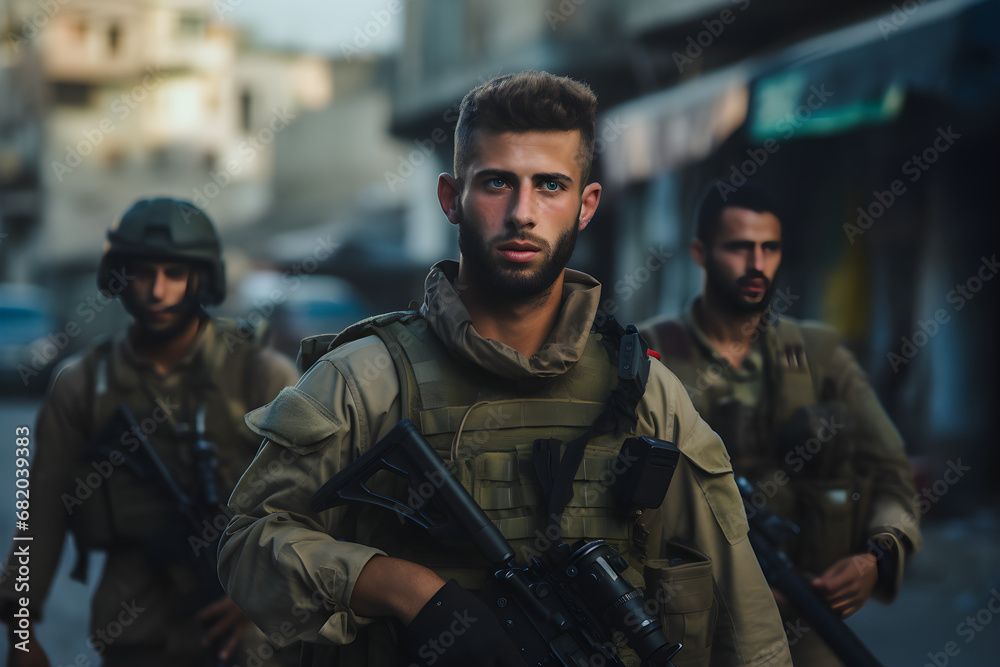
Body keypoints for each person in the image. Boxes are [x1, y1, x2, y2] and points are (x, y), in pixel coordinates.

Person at [217, 71, 792, 667]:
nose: (522, 213)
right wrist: (405, 589)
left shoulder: (644, 391)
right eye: (497, 183)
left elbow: (745, 618)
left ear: (586, 205)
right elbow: (248, 543)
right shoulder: (366, 380)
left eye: (550, 185)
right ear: (450, 197)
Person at [0, 198, 300, 667]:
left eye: (174, 274)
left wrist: (262, 595)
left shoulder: (261, 374)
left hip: (247, 639)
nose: (157, 291)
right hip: (135, 636)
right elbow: (41, 515)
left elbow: (312, 507)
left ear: (202, 278)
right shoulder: (83, 383)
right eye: (142, 273)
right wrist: (20, 634)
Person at [638, 182, 923, 665]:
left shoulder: (818, 354)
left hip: (805, 616)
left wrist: (877, 555)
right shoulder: (648, 352)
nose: (756, 264)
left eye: (768, 248)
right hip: (688, 622)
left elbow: (891, 472)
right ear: (700, 253)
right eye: (739, 247)